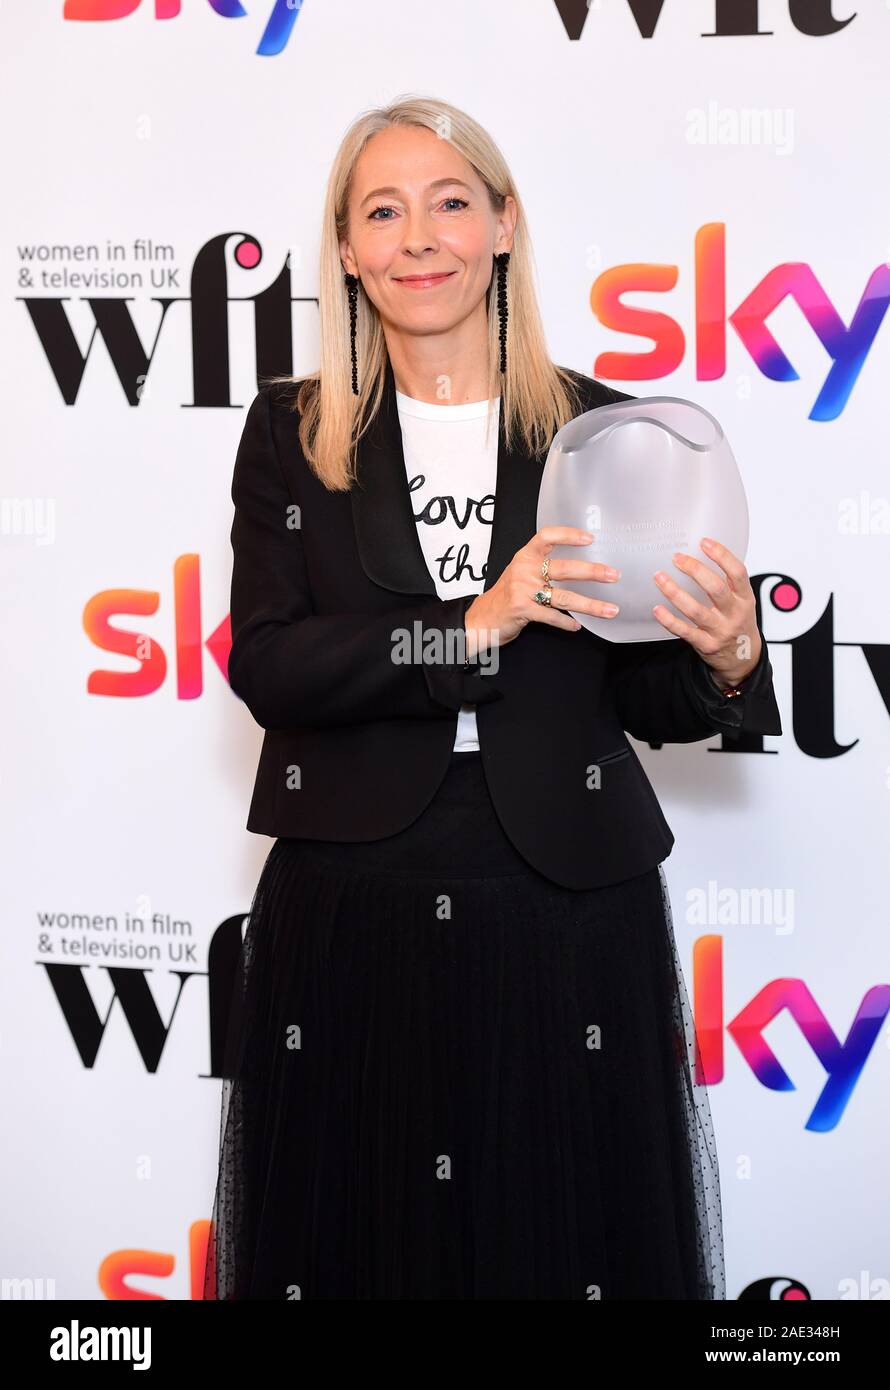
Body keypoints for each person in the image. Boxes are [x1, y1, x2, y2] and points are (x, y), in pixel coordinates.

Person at [203, 95, 782, 1301]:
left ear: (504, 225)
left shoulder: (598, 426)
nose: (419, 236)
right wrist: (467, 627)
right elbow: (267, 662)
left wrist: (727, 659)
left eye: (450, 202)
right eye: (383, 209)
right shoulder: (292, 432)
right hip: (352, 898)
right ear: (349, 250)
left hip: (565, 901)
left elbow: (647, 686)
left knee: (562, 1251)